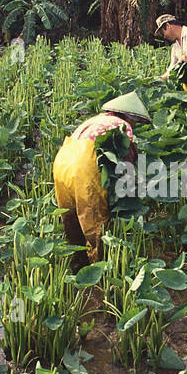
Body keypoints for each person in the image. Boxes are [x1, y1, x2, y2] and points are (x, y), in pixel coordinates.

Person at [54, 92, 152, 265]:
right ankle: (98, 272)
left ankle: (76, 263)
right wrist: (133, 194)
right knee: (95, 222)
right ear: (129, 116)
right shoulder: (123, 126)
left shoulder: (95, 120)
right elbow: (127, 163)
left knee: (71, 217)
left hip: (63, 162)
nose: (135, 125)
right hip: (85, 165)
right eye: (136, 121)